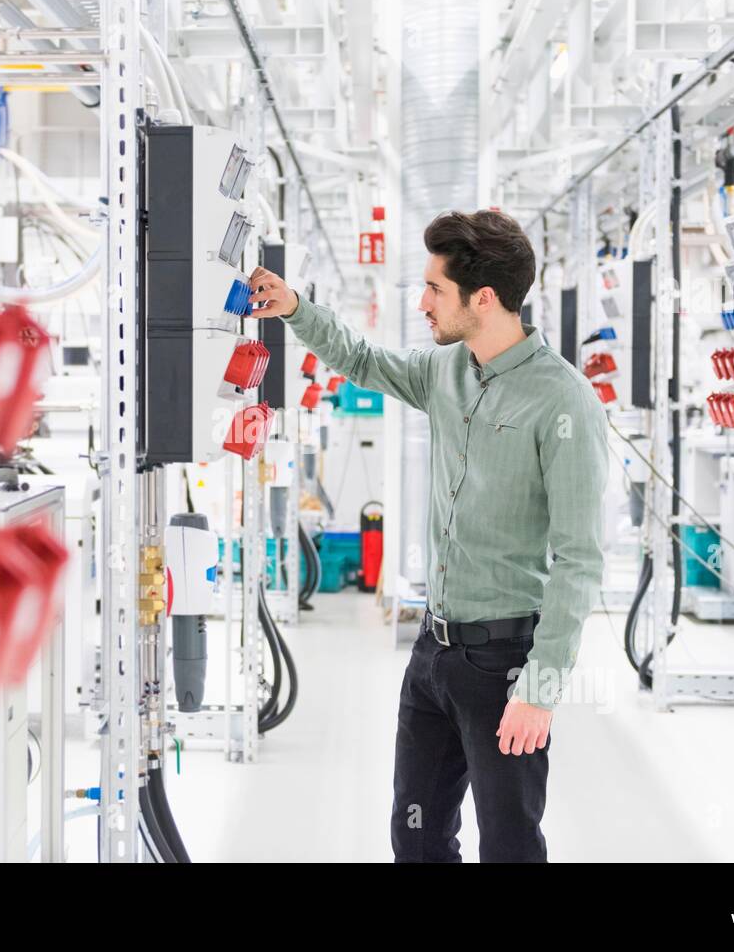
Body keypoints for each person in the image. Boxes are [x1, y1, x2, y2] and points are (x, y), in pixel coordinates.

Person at [249, 209, 608, 862]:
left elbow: (580, 557)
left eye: (435, 289)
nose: (422, 303)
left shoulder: (564, 401)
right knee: (415, 837)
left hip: (504, 664)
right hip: (433, 654)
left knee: (509, 845)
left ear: (486, 298)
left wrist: (541, 683)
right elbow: (361, 359)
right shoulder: (448, 371)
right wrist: (295, 308)